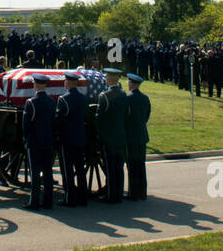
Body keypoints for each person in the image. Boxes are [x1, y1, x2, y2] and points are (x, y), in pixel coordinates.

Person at [21, 74, 56, 210]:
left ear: (36, 85)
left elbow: (26, 126)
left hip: (34, 142)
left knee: (35, 173)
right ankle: (48, 201)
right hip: (48, 141)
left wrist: (26, 140)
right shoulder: (52, 102)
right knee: (47, 172)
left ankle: (34, 201)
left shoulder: (31, 102)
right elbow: (54, 123)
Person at [55, 70, 88, 206]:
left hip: (67, 138)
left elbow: (58, 119)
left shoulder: (63, 99)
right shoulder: (83, 98)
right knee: (80, 168)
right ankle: (82, 196)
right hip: (80, 137)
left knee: (67, 169)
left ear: (67, 83)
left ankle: (69, 197)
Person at [95, 68, 129, 203]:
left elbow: (99, 118)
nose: (105, 79)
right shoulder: (123, 94)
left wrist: (99, 134)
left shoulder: (104, 96)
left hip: (108, 136)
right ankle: (118, 193)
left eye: (106, 76)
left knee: (109, 166)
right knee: (119, 166)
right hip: (120, 135)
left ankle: (110, 195)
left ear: (110, 79)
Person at [125, 72, 151, 201]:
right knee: (141, 164)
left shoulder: (128, 99)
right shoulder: (145, 98)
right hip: (142, 134)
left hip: (131, 135)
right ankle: (142, 192)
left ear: (132, 84)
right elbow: (146, 115)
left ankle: (133, 192)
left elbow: (125, 117)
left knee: (132, 165)